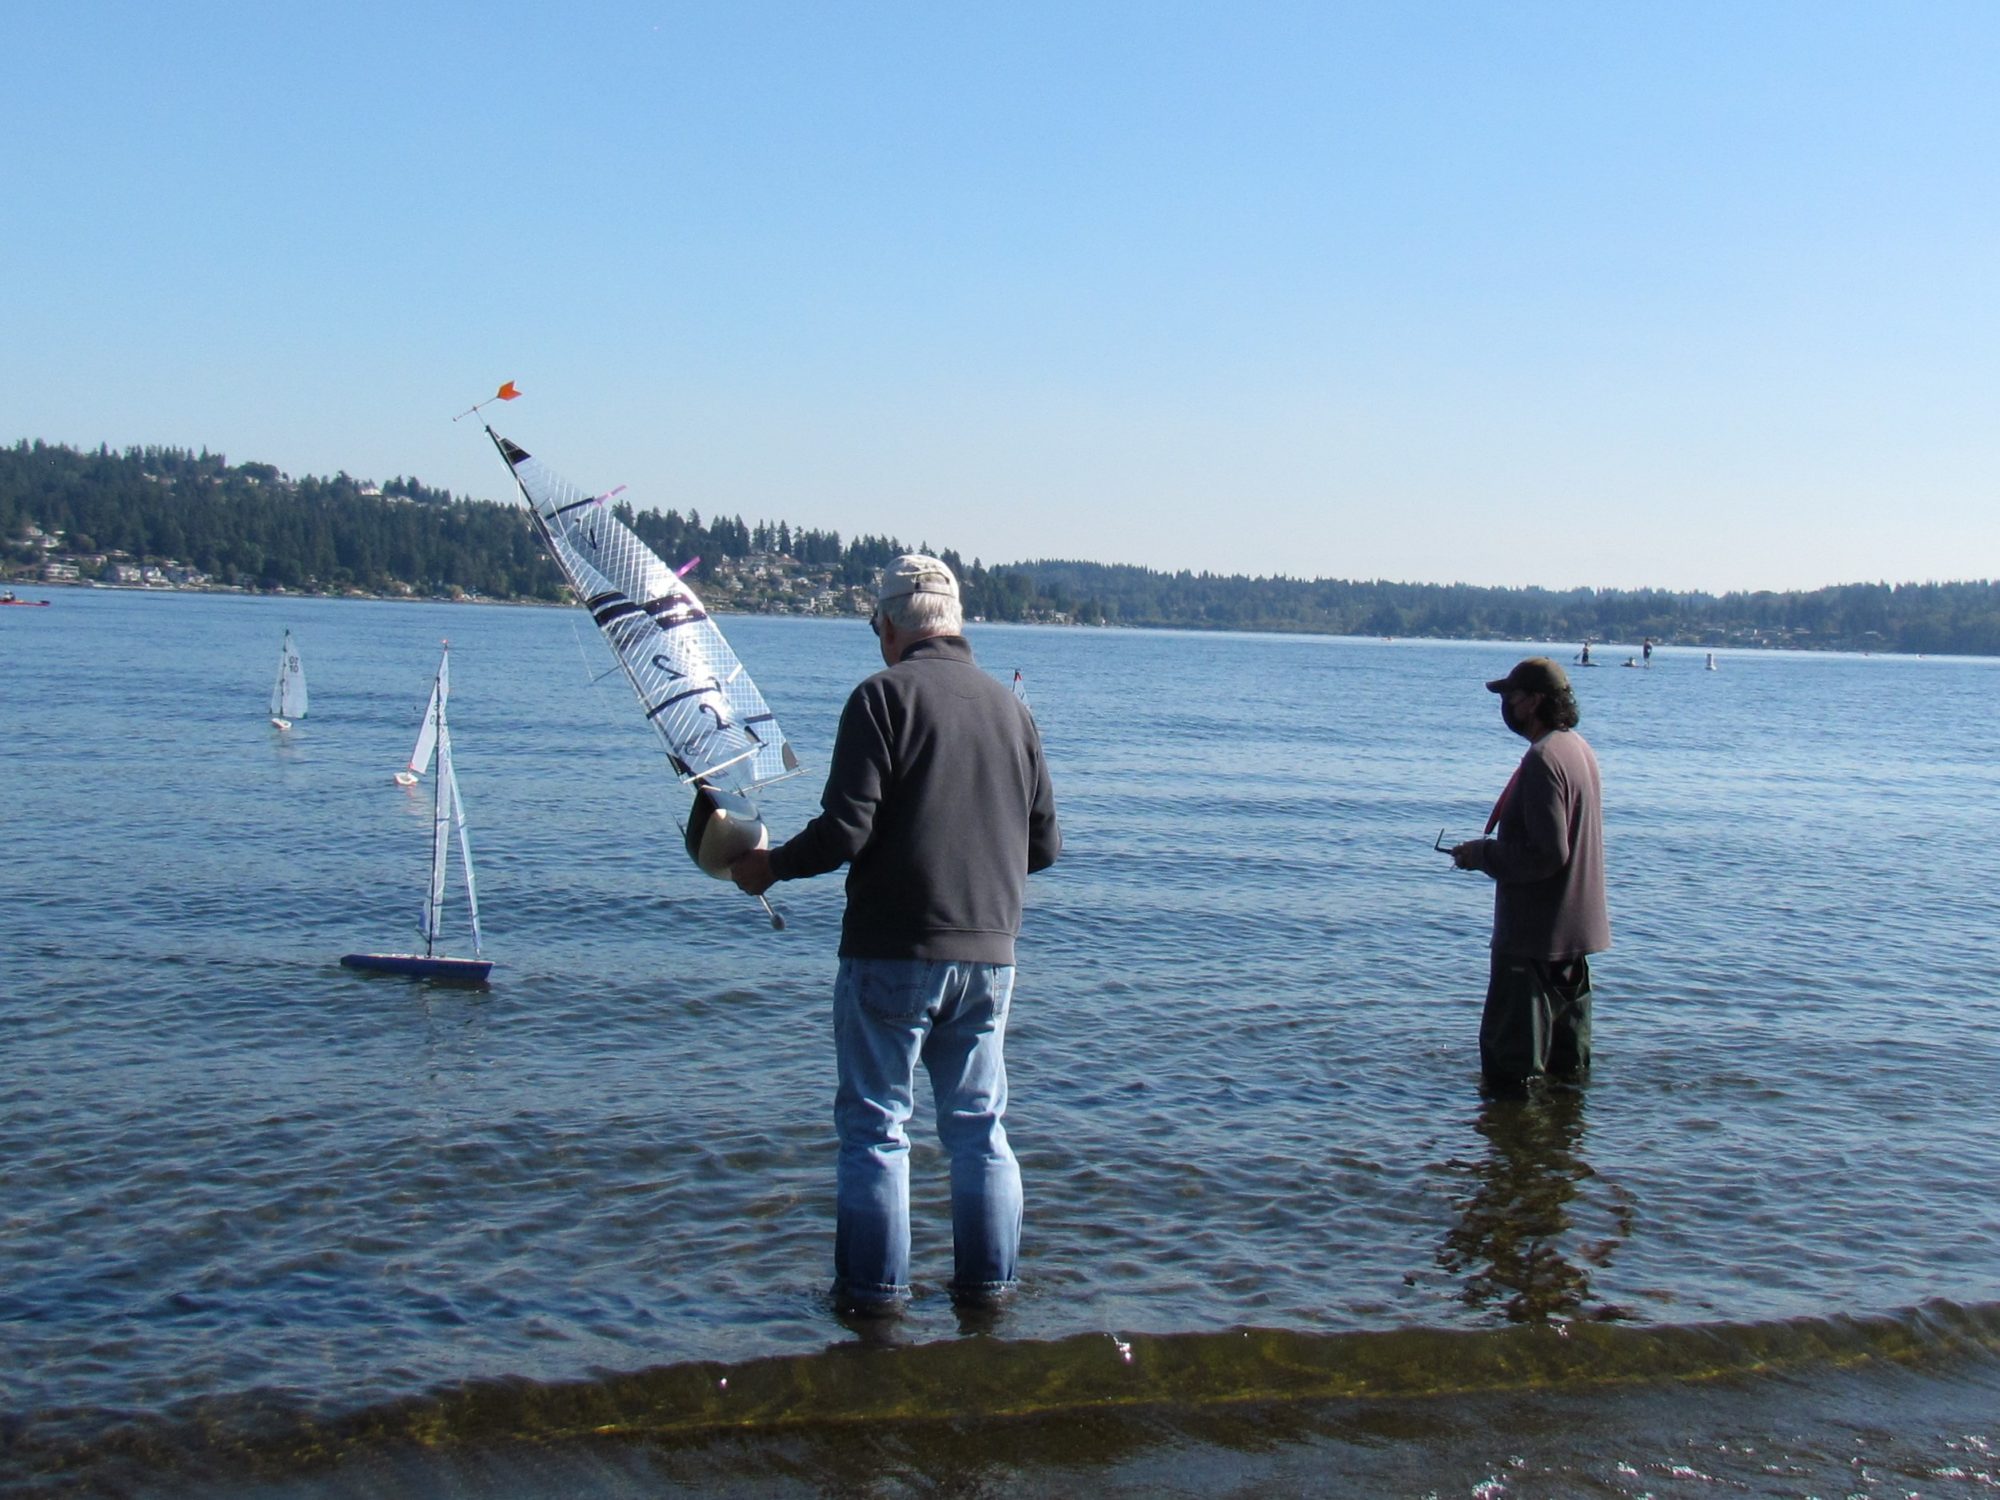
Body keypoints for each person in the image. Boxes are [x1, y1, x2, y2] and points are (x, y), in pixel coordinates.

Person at [730, 554, 1061, 1315]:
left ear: (887, 625)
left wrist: (769, 867)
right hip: (990, 954)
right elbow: (1043, 847)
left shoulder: (880, 697)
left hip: (891, 950)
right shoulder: (1012, 711)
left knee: (878, 1129)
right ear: (956, 622)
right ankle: (989, 1296)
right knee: (979, 1129)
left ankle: (873, 1304)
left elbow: (846, 830)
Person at [1448, 658, 1609, 1091]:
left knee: (1511, 1077)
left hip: (1532, 941)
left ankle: (1513, 1136)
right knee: (1565, 1078)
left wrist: (1483, 854)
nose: (1505, 706)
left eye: (1511, 697)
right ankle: (1553, 1136)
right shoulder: (1578, 749)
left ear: (1534, 701)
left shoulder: (1543, 759)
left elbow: (1548, 855)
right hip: (1572, 940)